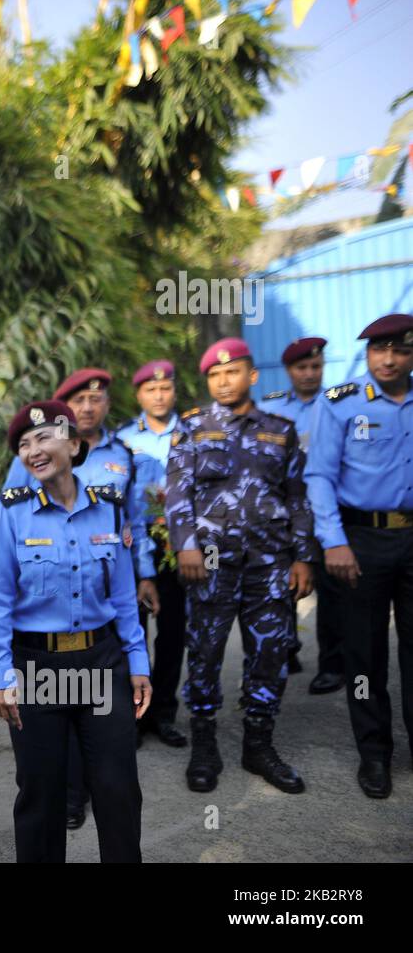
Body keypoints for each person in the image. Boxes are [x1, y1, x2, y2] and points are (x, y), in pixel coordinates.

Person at [0, 400, 151, 863]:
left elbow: (122, 598)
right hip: (37, 667)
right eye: (23, 444)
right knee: (42, 791)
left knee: (118, 787)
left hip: (102, 661)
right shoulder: (9, 514)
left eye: (44, 438)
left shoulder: (109, 511)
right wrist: (0, 674)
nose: (33, 450)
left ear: (74, 445)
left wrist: (138, 663)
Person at [166, 338, 316, 795]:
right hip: (209, 565)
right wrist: (186, 546)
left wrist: (304, 557)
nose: (223, 381)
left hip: (270, 565)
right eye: (214, 375)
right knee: (206, 653)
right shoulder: (192, 428)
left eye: (232, 373)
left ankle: (259, 743)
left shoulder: (280, 430)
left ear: (251, 375)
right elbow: (177, 492)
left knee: (270, 654)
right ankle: (204, 744)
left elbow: (297, 498)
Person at [303, 313, 413, 799]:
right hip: (361, 542)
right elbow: (319, 477)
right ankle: (374, 753)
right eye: (378, 349)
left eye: (401, 350)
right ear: (368, 353)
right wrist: (334, 542)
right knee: (364, 658)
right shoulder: (341, 405)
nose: (388, 359)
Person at [260, 337, 344, 692]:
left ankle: (333, 664)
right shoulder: (271, 410)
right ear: (289, 371)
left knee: (333, 589)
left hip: (328, 512)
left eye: (316, 367)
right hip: (286, 513)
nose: (309, 374)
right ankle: (286, 648)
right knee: (282, 584)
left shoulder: (339, 405)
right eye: (301, 367)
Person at [116, 359, 188, 748]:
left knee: (175, 631)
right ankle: (135, 714)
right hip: (135, 545)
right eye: (150, 390)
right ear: (139, 395)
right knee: (136, 632)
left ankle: (164, 712)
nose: (159, 395)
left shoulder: (194, 431)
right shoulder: (124, 439)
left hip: (181, 545)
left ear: (174, 390)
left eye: (165, 388)